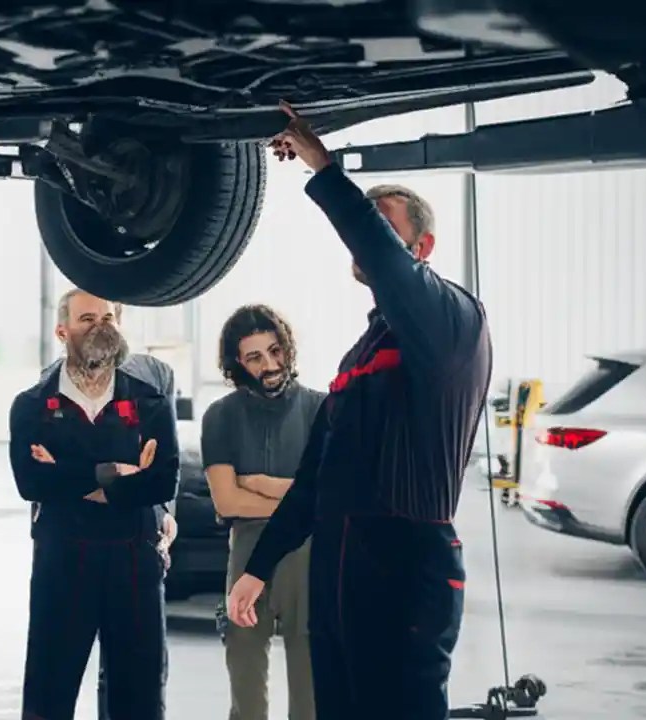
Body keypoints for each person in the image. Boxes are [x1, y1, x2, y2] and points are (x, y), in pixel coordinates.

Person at [227, 102, 492, 720]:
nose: (367, 232)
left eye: (381, 221)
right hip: (342, 570)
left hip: (404, 564)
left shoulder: (453, 319)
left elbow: (380, 253)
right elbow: (316, 478)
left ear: (421, 246)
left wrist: (322, 165)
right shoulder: (361, 354)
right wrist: (258, 569)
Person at [9, 289, 180, 720]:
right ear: (62, 329)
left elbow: (160, 483)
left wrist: (67, 473)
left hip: (135, 561)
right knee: (50, 690)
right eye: (87, 318)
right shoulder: (30, 406)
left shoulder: (151, 402)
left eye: (108, 317)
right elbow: (31, 482)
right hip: (62, 562)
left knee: (138, 696)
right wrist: (117, 474)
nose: (100, 326)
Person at [203, 304, 324, 720]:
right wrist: (298, 499)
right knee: (245, 678)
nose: (270, 364)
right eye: (255, 357)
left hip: (307, 555)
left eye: (275, 351)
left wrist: (260, 483)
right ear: (238, 362)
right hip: (247, 553)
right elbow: (227, 502)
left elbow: (328, 497)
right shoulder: (220, 416)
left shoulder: (321, 410)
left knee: (310, 685)